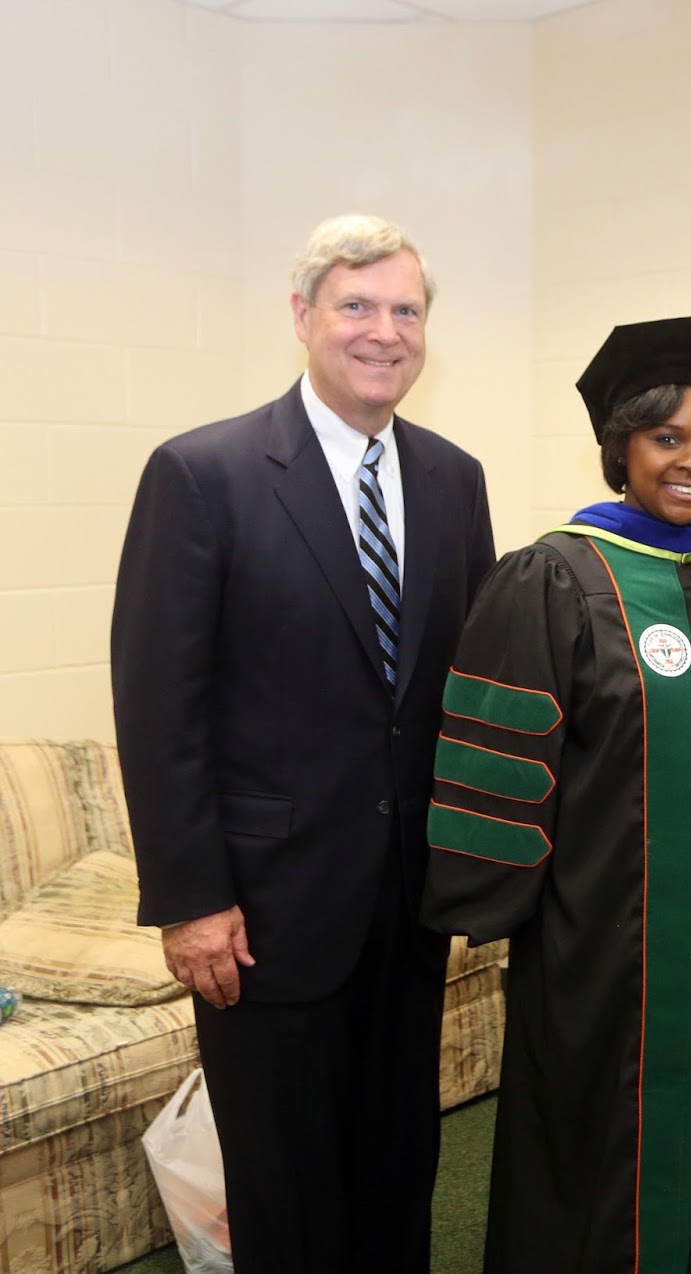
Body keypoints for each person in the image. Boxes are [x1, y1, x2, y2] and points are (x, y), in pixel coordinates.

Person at [110, 214, 496, 1272]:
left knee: (398, 1164)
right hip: (263, 911)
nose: (384, 332)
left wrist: (479, 866)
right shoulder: (203, 473)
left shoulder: (454, 478)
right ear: (303, 317)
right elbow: (159, 703)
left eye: (405, 310)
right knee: (284, 1184)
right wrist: (189, 897)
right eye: (357, 306)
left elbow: (467, 691)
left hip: (408, 901)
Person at [421, 316, 691, 1273]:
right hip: (595, 935)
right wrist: (508, 903)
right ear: (621, 448)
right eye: (666, 438)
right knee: (593, 1138)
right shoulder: (553, 577)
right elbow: (496, 760)